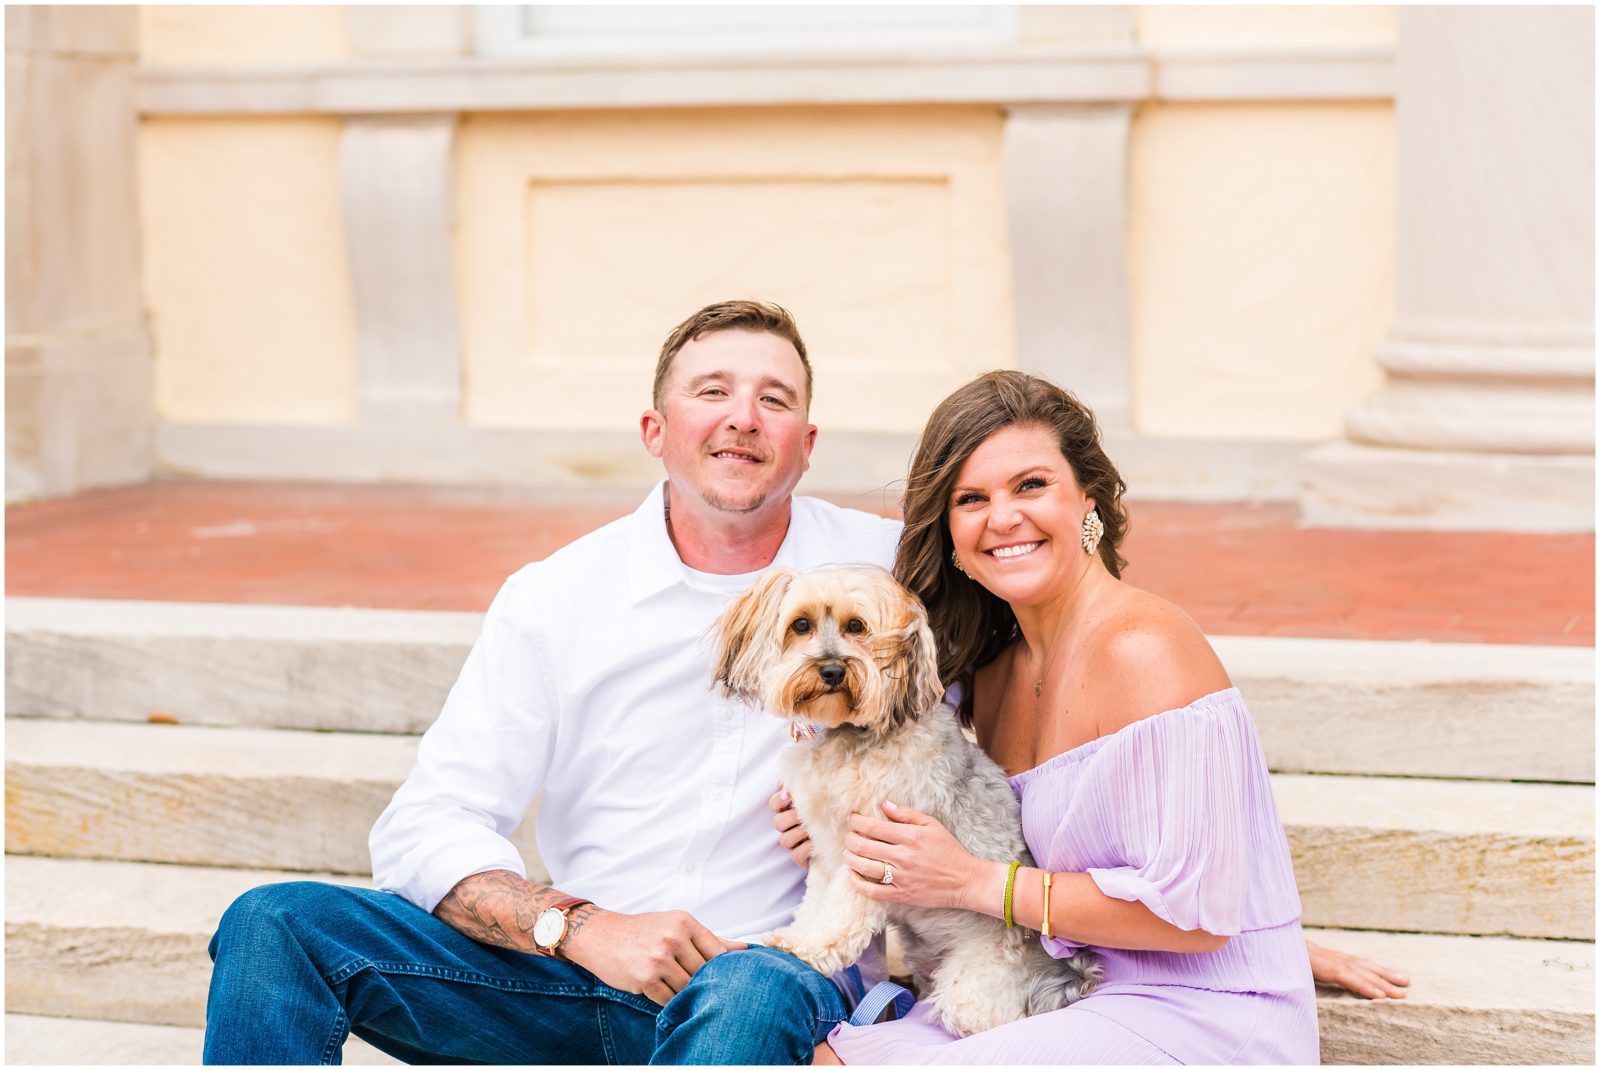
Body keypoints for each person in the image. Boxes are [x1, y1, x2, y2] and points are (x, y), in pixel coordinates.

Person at [202, 300, 902, 1065]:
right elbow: (427, 823)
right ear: (655, 430)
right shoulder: (557, 596)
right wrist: (579, 929)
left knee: (747, 988)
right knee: (275, 924)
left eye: (774, 398)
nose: (743, 416)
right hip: (572, 978)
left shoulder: (885, 570)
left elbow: (977, 744)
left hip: (770, 974)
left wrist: (872, 816)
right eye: (712, 391)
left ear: (806, 445)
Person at [785, 370, 1404, 1064]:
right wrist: (832, 820)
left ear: (1088, 499)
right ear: (951, 532)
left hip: (1200, 1009)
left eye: (1031, 485)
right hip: (1070, 983)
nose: (1003, 518)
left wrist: (970, 881)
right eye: (972, 498)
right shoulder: (995, 673)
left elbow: (1198, 914)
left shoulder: (1146, 649)